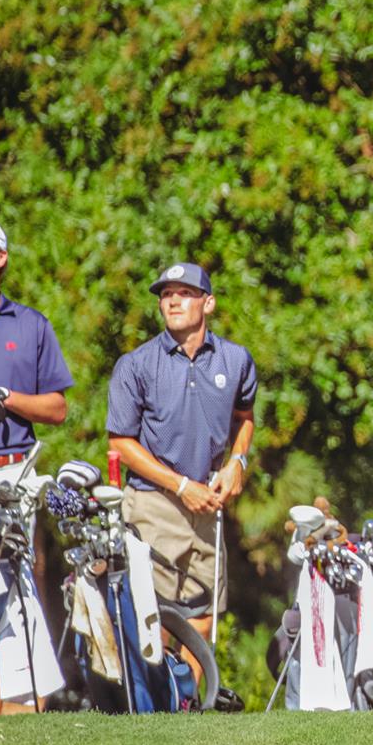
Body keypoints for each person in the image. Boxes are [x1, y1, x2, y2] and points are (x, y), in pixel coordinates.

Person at [106, 261, 256, 707]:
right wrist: (179, 484)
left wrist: (238, 462)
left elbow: (244, 418)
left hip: (208, 502)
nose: (172, 300)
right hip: (154, 503)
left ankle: (194, 709)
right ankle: (159, 706)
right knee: (155, 615)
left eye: (184, 293)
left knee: (203, 615)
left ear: (207, 302)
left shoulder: (235, 359)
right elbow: (121, 441)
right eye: (166, 294)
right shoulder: (136, 365)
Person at [0, 218, 74, 715]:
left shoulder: (30, 325)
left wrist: (6, 398)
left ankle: (19, 708)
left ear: (0, 257)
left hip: (11, 474)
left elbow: (57, 409)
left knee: (13, 593)